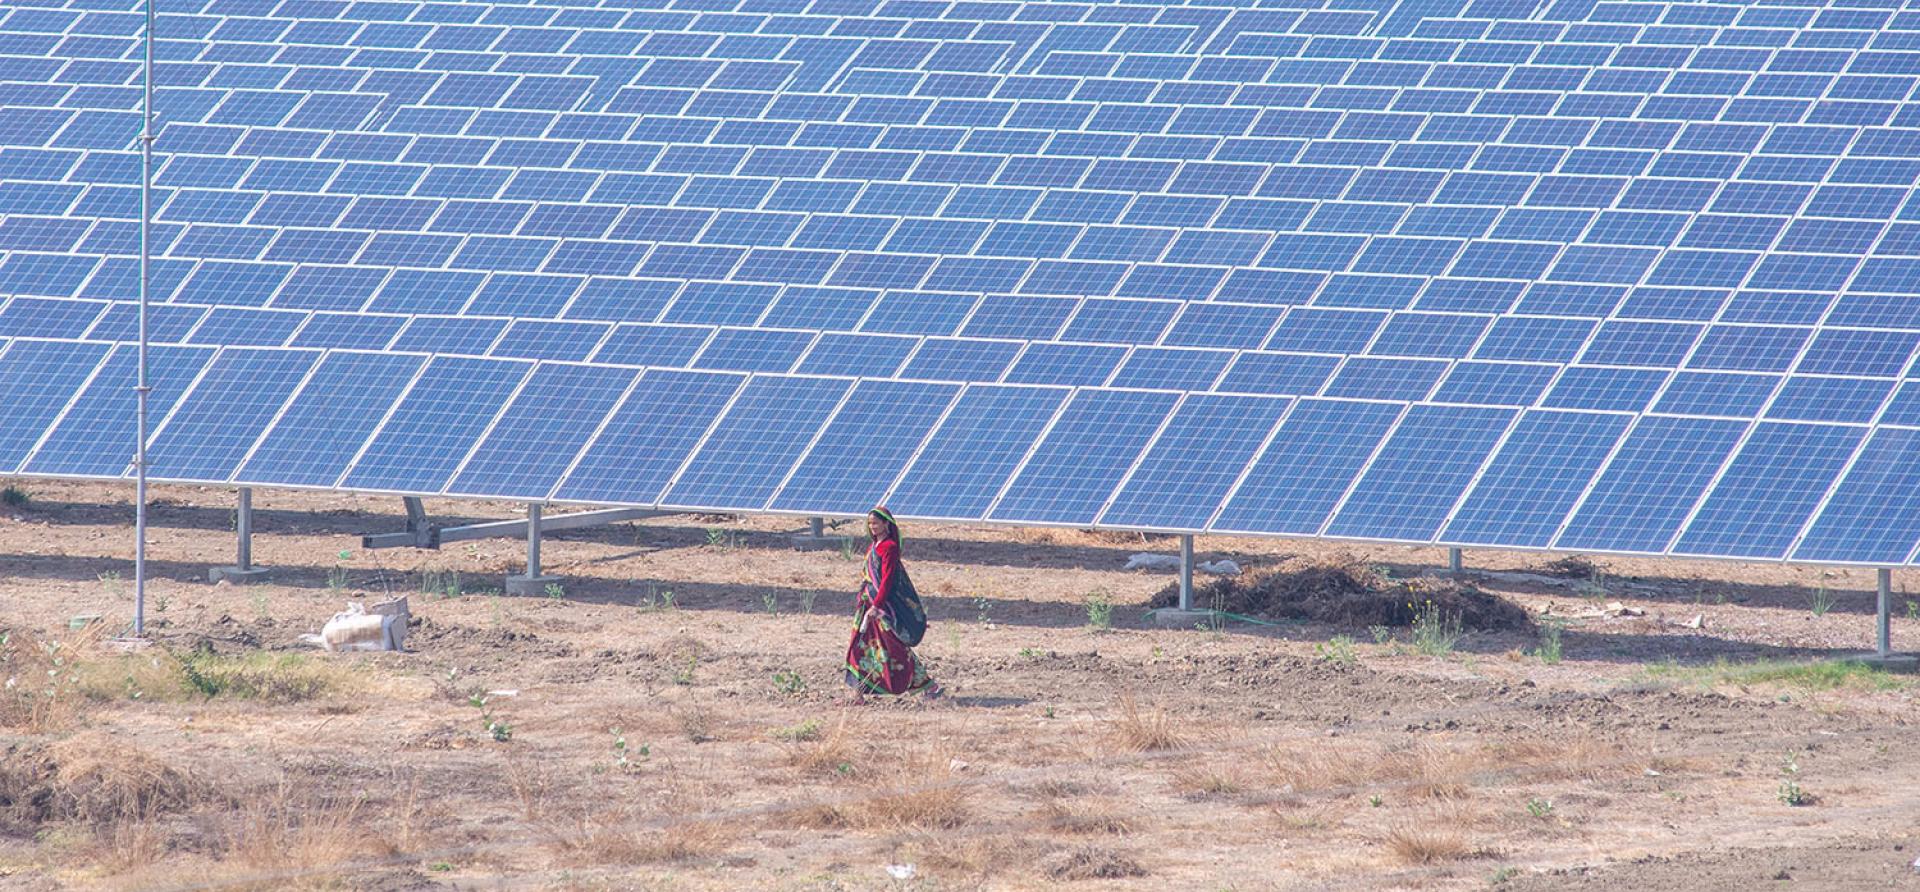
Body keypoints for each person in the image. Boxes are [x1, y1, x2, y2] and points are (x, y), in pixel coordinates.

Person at [845, 506, 941, 702]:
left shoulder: (889, 547)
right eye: (870, 523)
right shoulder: (873, 547)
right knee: (858, 646)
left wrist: (877, 606)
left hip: (880, 609)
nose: (872, 527)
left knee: (894, 647)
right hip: (867, 605)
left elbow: (887, 580)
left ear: (886, 524)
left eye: (876, 523)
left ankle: (927, 686)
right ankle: (857, 694)